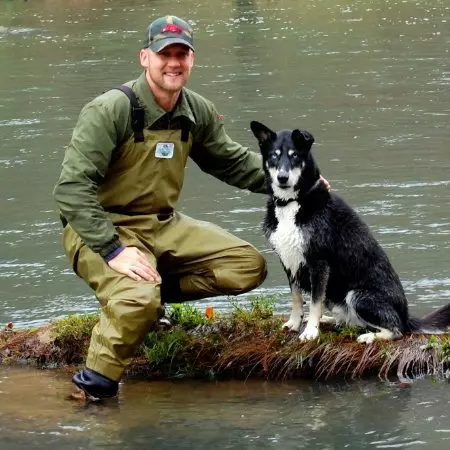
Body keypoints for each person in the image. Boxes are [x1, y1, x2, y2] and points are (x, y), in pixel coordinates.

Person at [54, 15, 328, 401]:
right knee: (136, 300)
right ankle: (93, 385)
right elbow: (70, 189)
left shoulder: (195, 110)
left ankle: (148, 297)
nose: (173, 62)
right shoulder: (110, 110)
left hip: (163, 225)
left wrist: (304, 183)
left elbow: (231, 161)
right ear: (144, 57)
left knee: (246, 266)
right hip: (101, 229)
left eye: (181, 53)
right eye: (164, 53)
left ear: (192, 60)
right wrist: (114, 251)